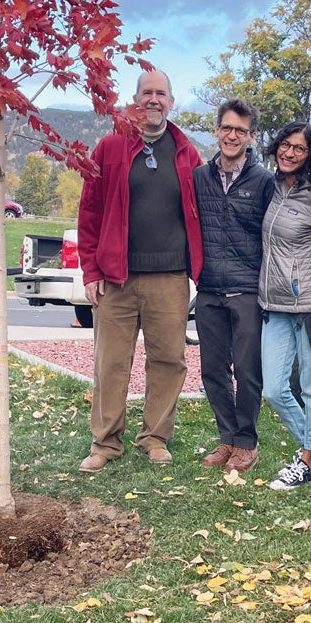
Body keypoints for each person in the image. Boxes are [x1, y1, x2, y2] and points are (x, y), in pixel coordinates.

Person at [76, 70, 203, 472]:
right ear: (134, 99)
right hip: (117, 276)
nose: (153, 99)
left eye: (160, 93)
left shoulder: (187, 152)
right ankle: (105, 443)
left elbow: (204, 210)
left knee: (168, 359)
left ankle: (155, 438)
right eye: (146, 92)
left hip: (170, 276)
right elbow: (89, 212)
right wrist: (91, 270)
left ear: (171, 101)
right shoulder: (111, 146)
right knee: (111, 362)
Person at [194, 99, 274, 473]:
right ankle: (226, 438)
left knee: (246, 370)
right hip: (209, 287)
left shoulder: (264, 181)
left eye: (240, 130)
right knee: (212, 368)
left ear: (251, 136)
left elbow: (280, 228)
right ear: (216, 131)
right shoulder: (199, 177)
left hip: (246, 290)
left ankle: (246, 442)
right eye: (226, 128)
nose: (232, 135)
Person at [259, 122, 311, 490]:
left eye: (300, 148)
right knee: (273, 388)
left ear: (310, 155)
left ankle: (306, 459)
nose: (289, 153)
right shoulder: (273, 188)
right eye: (285, 145)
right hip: (274, 302)